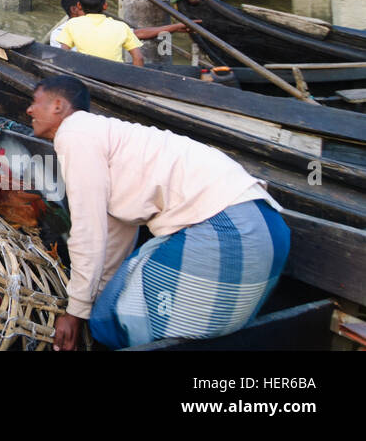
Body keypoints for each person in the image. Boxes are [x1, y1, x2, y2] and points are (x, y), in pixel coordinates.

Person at [27, 75, 288, 350]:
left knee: (112, 320)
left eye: (35, 102)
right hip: (269, 229)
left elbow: (87, 232)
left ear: (57, 106)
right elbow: (111, 241)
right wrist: (87, 305)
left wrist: (75, 313)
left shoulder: (74, 132)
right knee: (105, 309)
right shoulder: (110, 139)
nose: (29, 110)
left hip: (227, 234)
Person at [52, 0, 146, 66]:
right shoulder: (121, 26)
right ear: (105, 6)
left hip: (86, 75)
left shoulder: (71, 25)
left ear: (79, 6)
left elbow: (63, 55)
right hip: (117, 76)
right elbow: (139, 58)